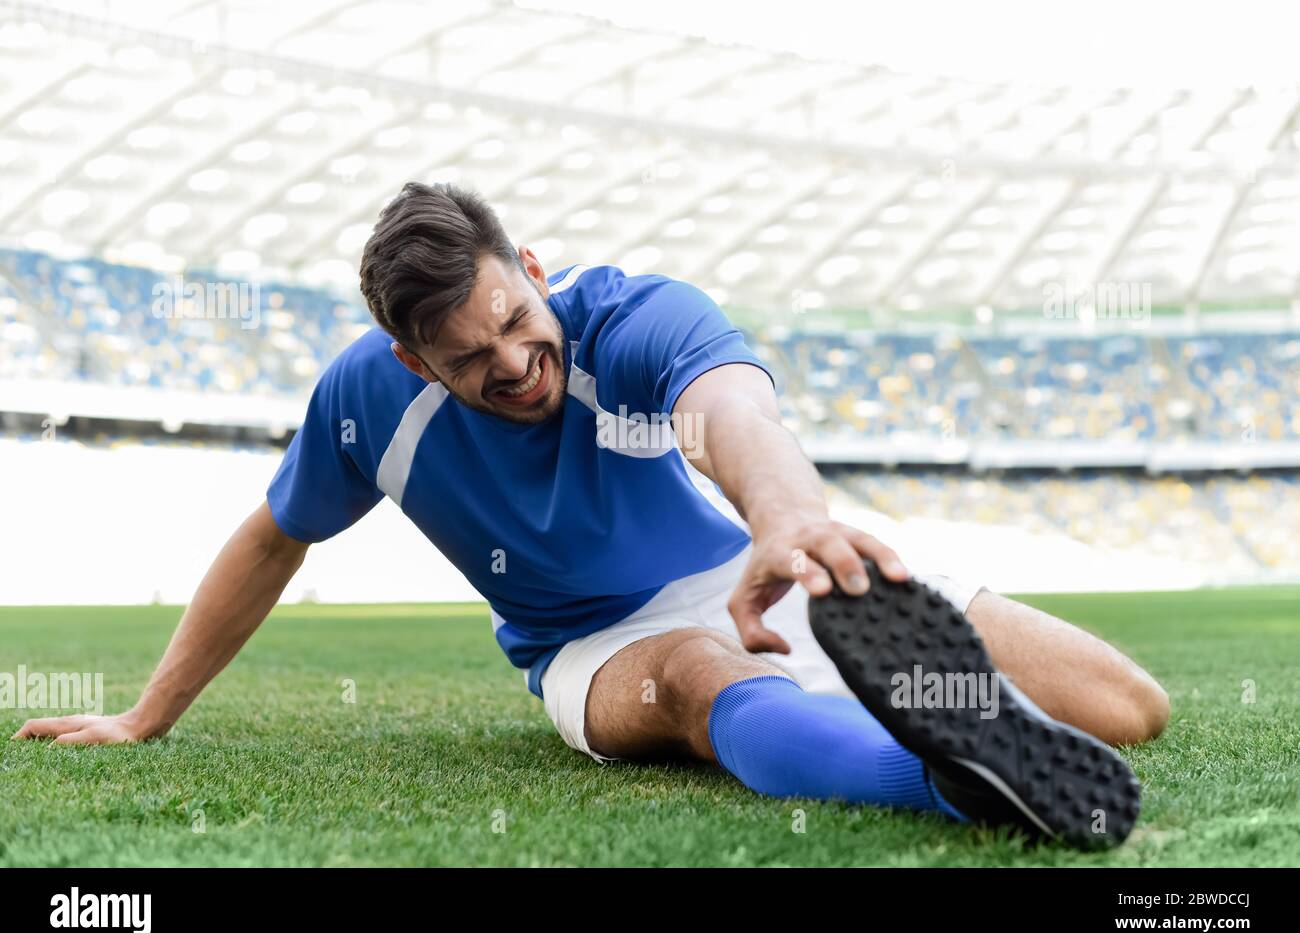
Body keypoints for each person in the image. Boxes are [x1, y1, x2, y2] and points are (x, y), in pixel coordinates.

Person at [14, 182, 1169, 846]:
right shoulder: (367, 404)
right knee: (697, 685)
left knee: (1127, 709)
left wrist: (788, 520)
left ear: (529, 263)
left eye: (517, 318)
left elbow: (731, 416)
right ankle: (946, 775)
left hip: (754, 562)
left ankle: (925, 702)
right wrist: (145, 715)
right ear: (415, 364)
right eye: (468, 359)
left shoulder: (634, 317)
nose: (515, 364)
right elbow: (275, 536)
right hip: (593, 646)